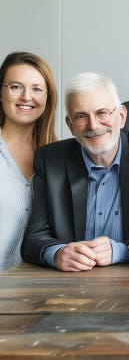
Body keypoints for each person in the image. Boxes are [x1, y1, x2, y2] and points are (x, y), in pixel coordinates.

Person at [22, 73, 129, 271]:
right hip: (67, 285)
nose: (93, 126)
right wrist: (58, 253)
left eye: (102, 113)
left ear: (121, 116)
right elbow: (34, 238)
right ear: (70, 125)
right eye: (81, 116)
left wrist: (120, 251)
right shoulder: (50, 161)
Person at [0, 52, 57, 271]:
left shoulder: (60, 157)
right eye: (16, 87)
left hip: (40, 290)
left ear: (47, 97)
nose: (26, 97)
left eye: (36, 89)